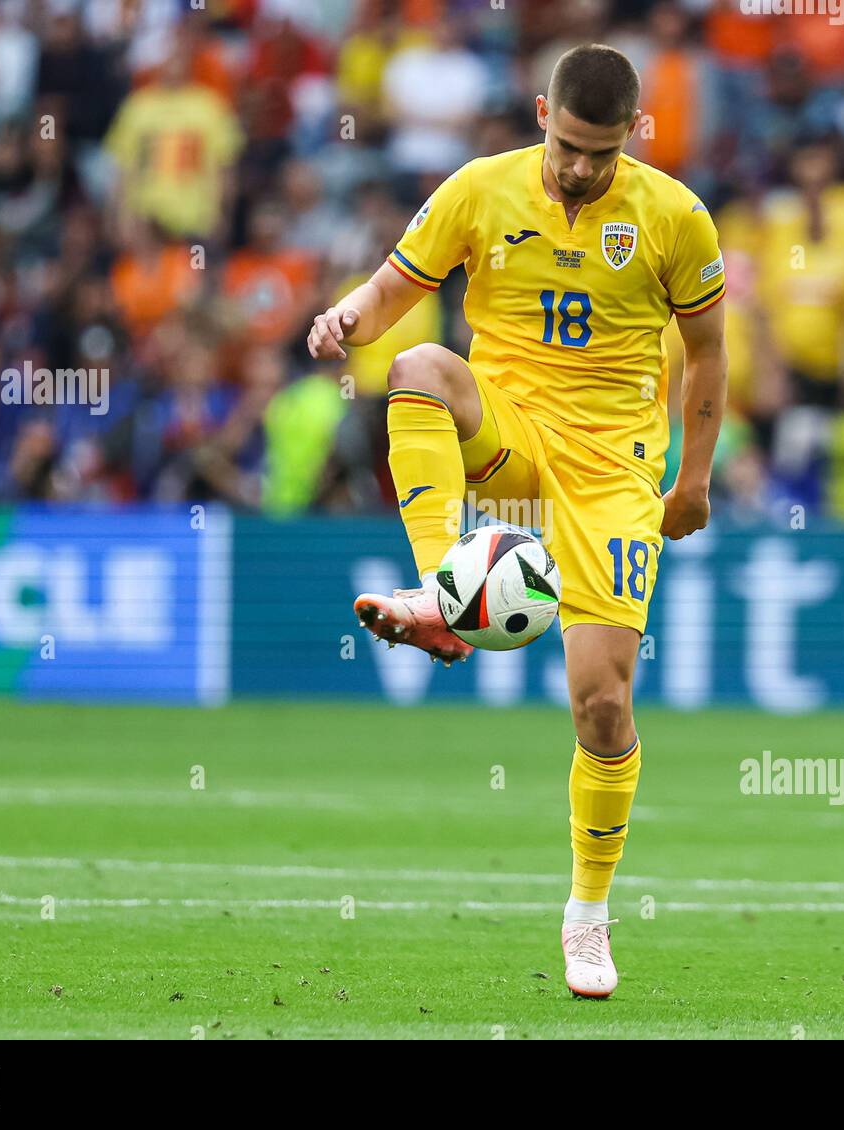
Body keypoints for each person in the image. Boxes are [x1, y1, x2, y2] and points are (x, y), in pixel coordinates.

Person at [307, 44, 728, 1000]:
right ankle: (438, 584)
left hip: (614, 473)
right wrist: (346, 319)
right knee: (416, 369)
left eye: (601, 152)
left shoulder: (675, 218)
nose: (580, 167)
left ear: (632, 136)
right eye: (569, 145)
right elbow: (391, 295)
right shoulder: (479, 190)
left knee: (603, 706)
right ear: (542, 112)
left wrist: (693, 476)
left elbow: (707, 356)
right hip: (513, 436)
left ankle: (587, 912)